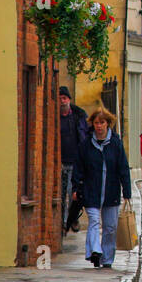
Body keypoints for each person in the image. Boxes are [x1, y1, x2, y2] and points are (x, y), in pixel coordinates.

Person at [71, 109, 131, 268]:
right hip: (91, 191)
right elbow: (78, 167)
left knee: (110, 227)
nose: (99, 126)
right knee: (94, 221)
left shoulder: (116, 144)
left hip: (111, 192)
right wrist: (76, 187)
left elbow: (123, 168)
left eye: (102, 123)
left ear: (108, 124)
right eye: (96, 123)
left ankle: (107, 260)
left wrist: (127, 192)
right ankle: (95, 252)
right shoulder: (86, 145)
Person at [58, 87, 88, 235]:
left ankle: (72, 219)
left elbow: (84, 137)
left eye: (64, 98)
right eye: (60, 98)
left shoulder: (78, 116)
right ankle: (63, 223)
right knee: (61, 194)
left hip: (75, 161)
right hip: (60, 162)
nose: (62, 101)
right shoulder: (54, 118)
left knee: (73, 194)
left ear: (69, 100)